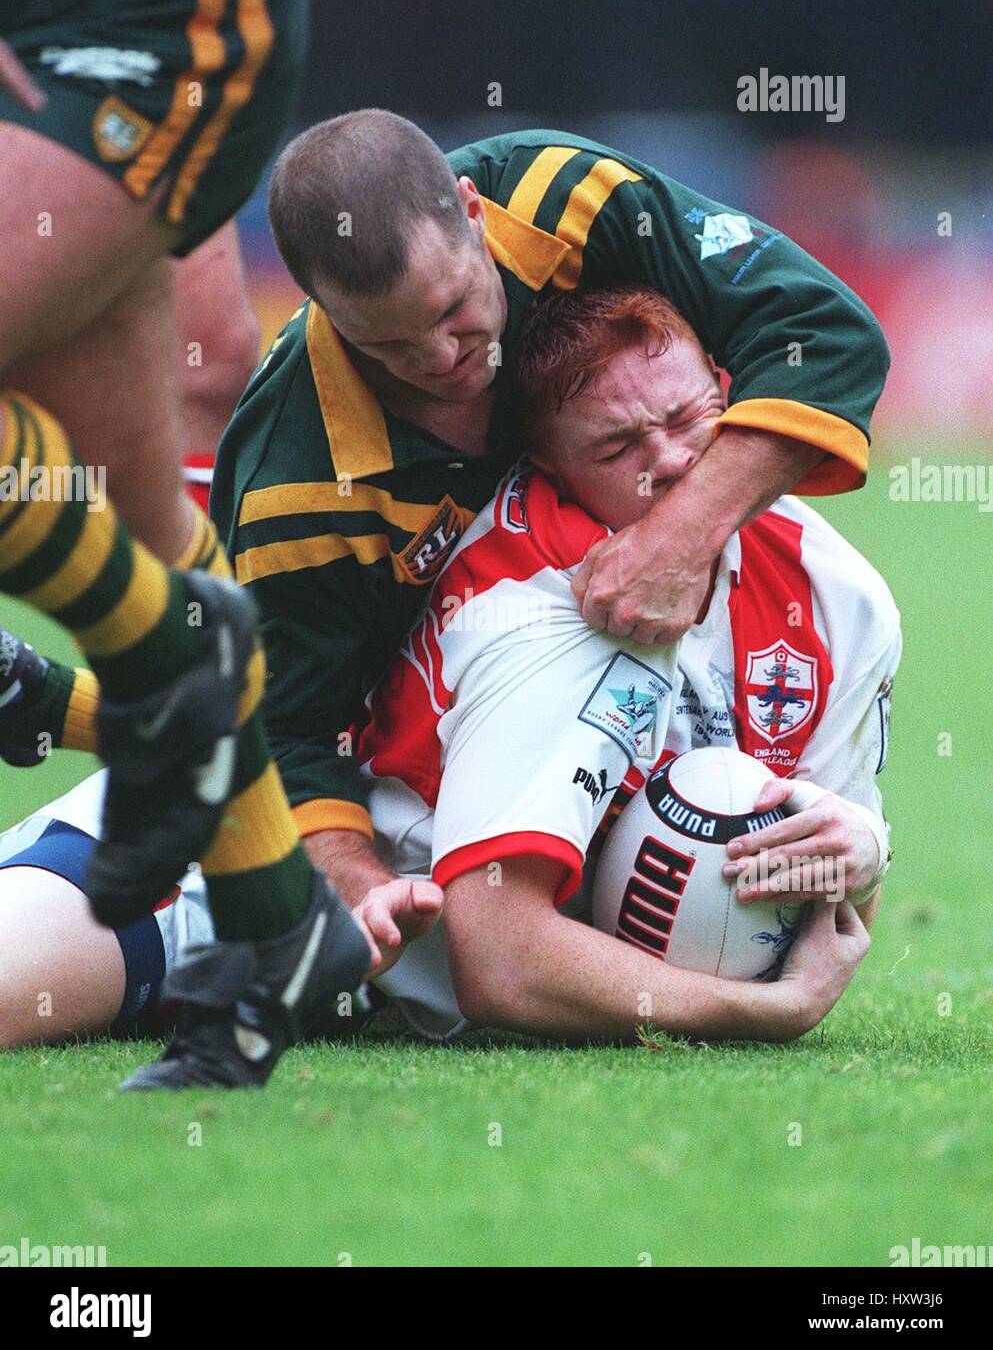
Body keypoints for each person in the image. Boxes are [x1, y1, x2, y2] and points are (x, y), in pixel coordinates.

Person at [5, 109, 892, 982]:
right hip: (321, 819)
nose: (441, 358)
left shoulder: (561, 200)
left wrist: (678, 537)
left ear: (475, 214)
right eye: (387, 341)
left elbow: (824, 333)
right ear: (318, 309)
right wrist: (355, 883)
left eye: (458, 312)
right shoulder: (295, 488)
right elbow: (286, 728)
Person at [0, 0, 373, 1090]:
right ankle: (277, 924)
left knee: (149, 526)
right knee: (140, 518)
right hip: (52, 31)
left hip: (144, 29)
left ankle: (171, 660)